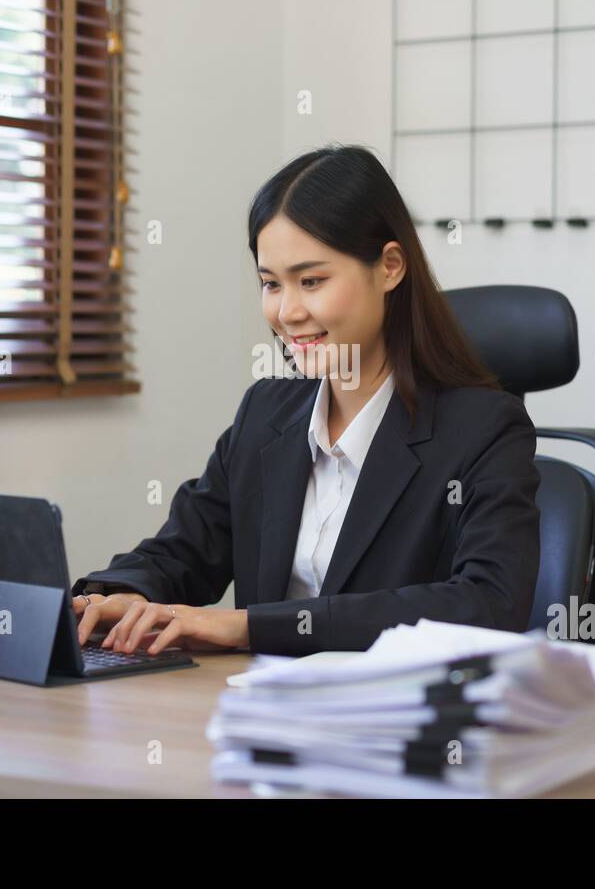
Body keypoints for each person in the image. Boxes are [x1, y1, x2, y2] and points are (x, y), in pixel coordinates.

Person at [72, 144, 541, 657]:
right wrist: (116, 595)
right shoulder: (265, 414)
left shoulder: (483, 429)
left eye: (312, 281)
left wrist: (247, 626)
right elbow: (183, 551)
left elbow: (488, 606)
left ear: (389, 267)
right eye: (271, 284)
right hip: (256, 710)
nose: (288, 311)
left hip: (390, 719)